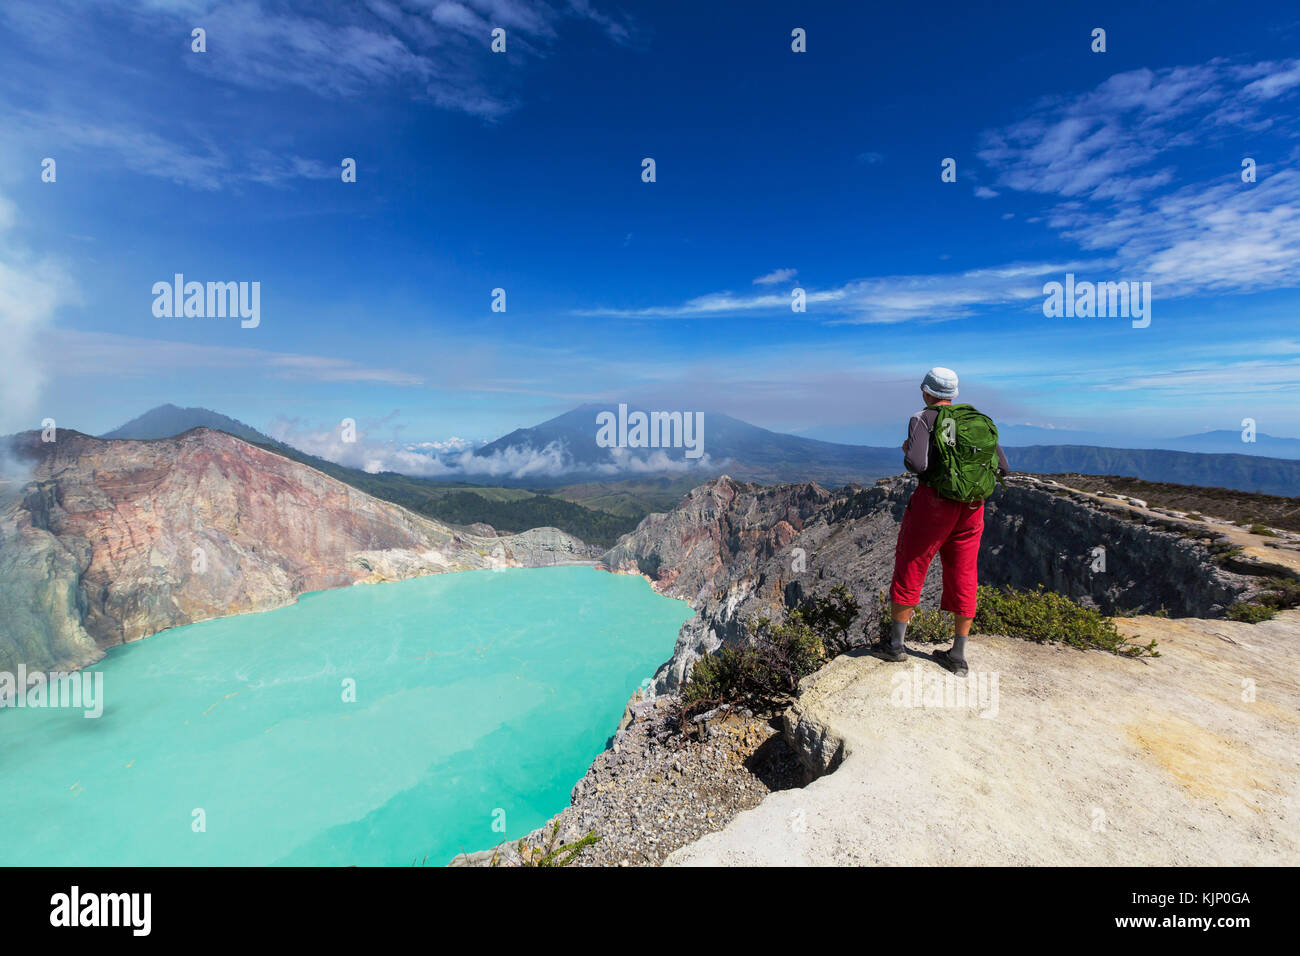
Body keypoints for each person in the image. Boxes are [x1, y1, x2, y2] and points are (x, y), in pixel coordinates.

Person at [877, 367, 1010, 676]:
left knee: (912, 563)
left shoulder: (922, 418)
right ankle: (958, 655)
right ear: (954, 394)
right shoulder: (977, 421)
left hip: (934, 506)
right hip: (972, 508)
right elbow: (1003, 468)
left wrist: (908, 449)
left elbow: (917, 464)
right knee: (964, 573)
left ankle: (896, 646)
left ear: (926, 391)